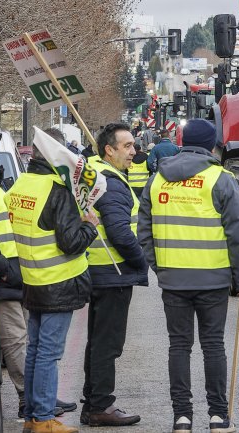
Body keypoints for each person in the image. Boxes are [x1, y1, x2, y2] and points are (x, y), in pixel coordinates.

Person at [0, 129, 79, 420]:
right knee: (17, 340)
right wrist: (5, 270)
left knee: (23, 340)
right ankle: (30, 401)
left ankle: (38, 397)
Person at [138, 118, 239, 433]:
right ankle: (217, 416)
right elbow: (238, 234)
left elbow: (143, 230)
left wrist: (160, 267)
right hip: (213, 279)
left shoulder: (158, 179)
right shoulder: (221, 179)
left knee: (179, 346)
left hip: (173, 280)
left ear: (182, 141)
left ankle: (182, 417)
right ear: (212, 144)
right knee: (213, 345)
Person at [7, 129, 99, 433]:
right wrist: (90, 226)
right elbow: (71, 242)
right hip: (60, 281)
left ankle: (34, 415)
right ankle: (45, 418)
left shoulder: (21, 185)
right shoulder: (58, 190)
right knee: (48, 353)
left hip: (32, 280)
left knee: (35, 350)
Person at [79, 124, 146, 427]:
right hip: (113, 271)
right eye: (127, 146)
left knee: (97, 342)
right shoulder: (112, 182)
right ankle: (100, 406)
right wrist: (140, 261)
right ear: (109, 150)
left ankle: (92, 402)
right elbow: (120, 232)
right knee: (107, 344)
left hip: (98, 269)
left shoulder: (92, 174)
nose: (134, 152)